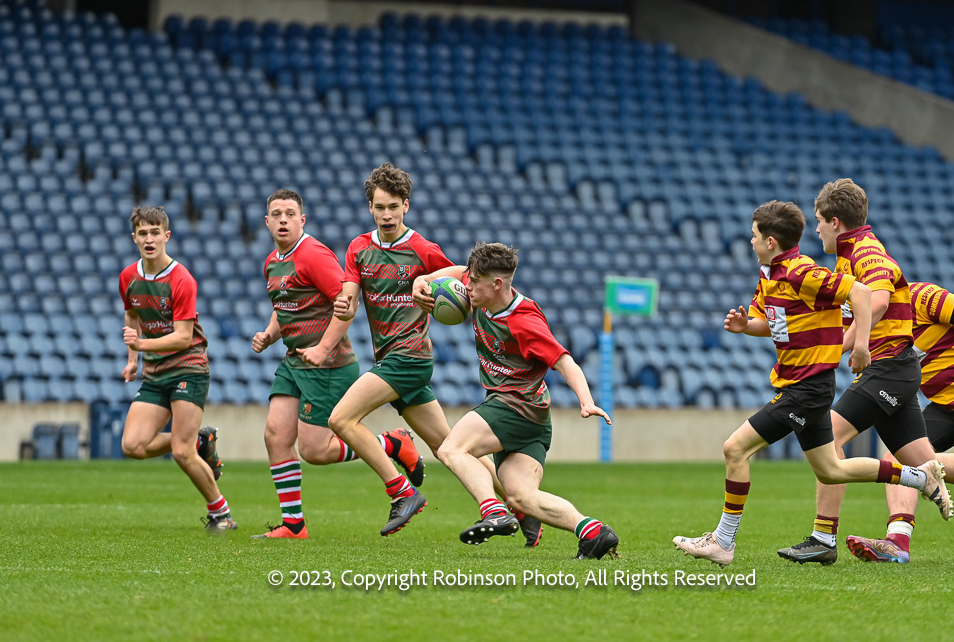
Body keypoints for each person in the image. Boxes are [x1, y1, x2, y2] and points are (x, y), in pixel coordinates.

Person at [673, 200, 950, 566]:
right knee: (831, 469)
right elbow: (767, 322)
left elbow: (862, 294)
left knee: (734, 449)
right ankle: (918, 477)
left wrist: (862, 346)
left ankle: (723, 541)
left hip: (806, 389)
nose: (750, 239)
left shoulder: (802, 273)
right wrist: (746, 326)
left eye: (754, 234)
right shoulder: (769, 272)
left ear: (771, 241)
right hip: (799, 386)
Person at [777, 178, 954, 565]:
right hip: (899, 368)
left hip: (889, 367)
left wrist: (850, 347)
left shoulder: (865, 250)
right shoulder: (848, 254)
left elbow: (876, 301)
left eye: (820, 221)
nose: (817, 229)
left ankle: (823, 539)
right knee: (929, 465)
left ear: (836, 221)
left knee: (827, 439)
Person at [412, 242, 619, 559]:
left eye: (474, 282)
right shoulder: (482, 293)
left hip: (514, 405)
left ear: (496, 284)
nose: (466, 286)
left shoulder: (524, 321)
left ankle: (492, 511)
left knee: (452, 449)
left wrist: (586, 401)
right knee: (522, 496)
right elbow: (451, 273)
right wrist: (421, 282)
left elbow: (564, 361)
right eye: (468, 279)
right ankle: (592, 532)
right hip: (533, 416)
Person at [251, 189, 423, 540]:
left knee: (315, 450)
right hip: (295, 359)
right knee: (276, 436)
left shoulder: (313, 254)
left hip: (327, 365)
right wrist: (270, 334)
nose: (283, 219)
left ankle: (392, 443)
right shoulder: (272, 261)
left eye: (290, 213)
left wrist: (323, 348)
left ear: (303, 220)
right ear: (267, 221)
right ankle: (294, 525)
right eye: (276, 214)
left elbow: (345, 304)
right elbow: (284, 303)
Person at [846, 281, 954, 562]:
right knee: (898, 458)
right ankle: (897, 542)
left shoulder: (922, 297)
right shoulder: (874, 325)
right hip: (944, 407)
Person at [119, 205, 235, 532]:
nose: (149, 238)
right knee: (132, 446)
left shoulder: (181, 278)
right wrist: (132, 360)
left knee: (181, 452)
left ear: (166, 236)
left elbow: (183, 338)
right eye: (143, 233)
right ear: (135, 238)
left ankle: (220, 513)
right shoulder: (128, 277)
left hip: (188, 367)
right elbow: (132, 316)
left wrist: (141, 347)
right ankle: (201, 440)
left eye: (155, 232)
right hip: (155, 373)